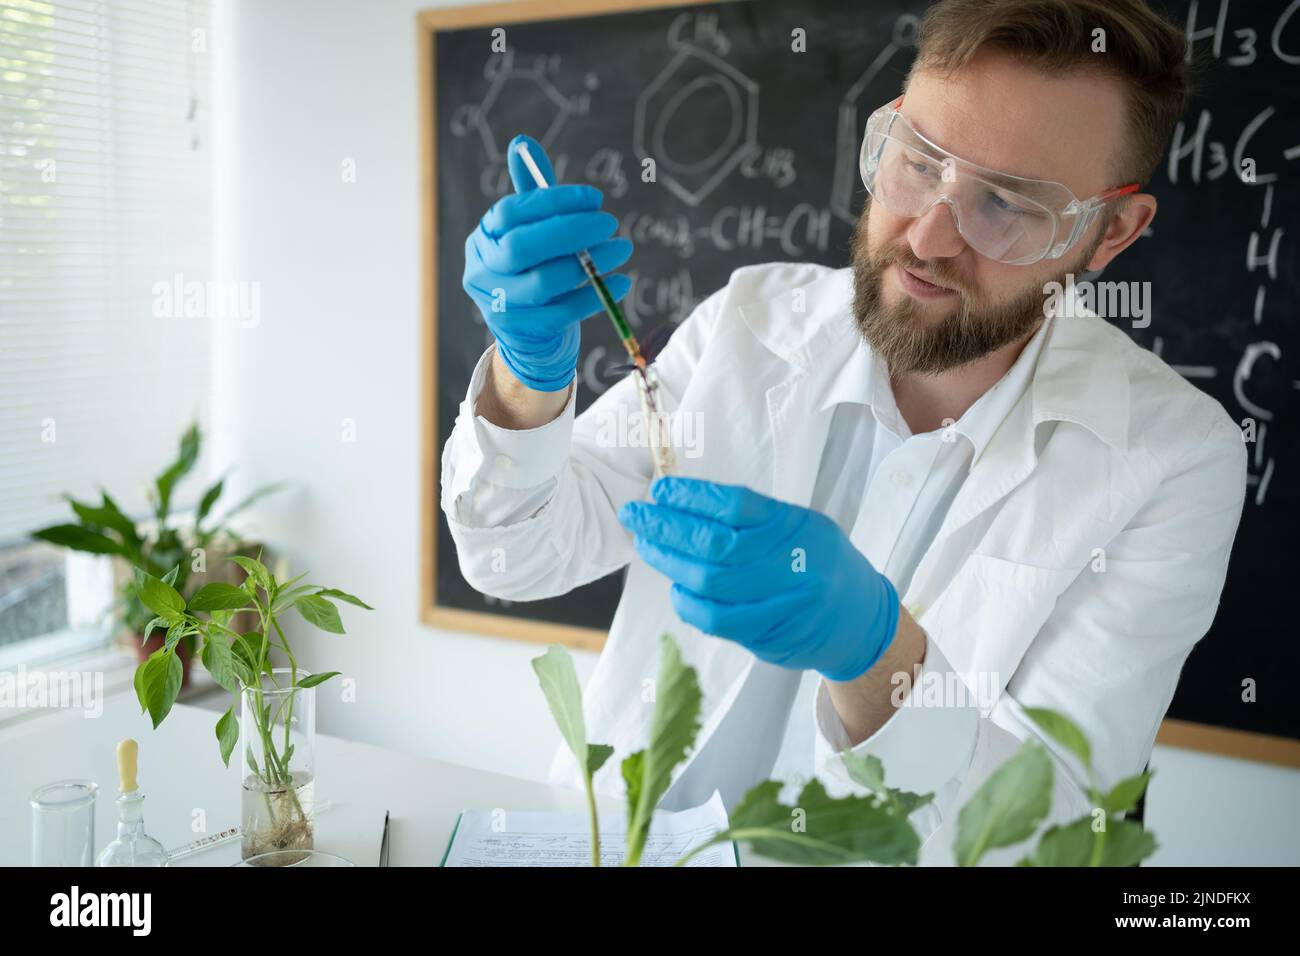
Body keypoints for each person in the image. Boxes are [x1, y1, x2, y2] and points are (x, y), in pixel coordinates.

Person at [443, 0, 1246, 864]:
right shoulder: (751, 322)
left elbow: (1048, 832)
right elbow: (514, 556)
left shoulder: (1170, 456)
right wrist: (529, 374)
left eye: (1006, 203)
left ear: (1109, 232)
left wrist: (878, 656)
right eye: (918, 162)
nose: (929, 236)